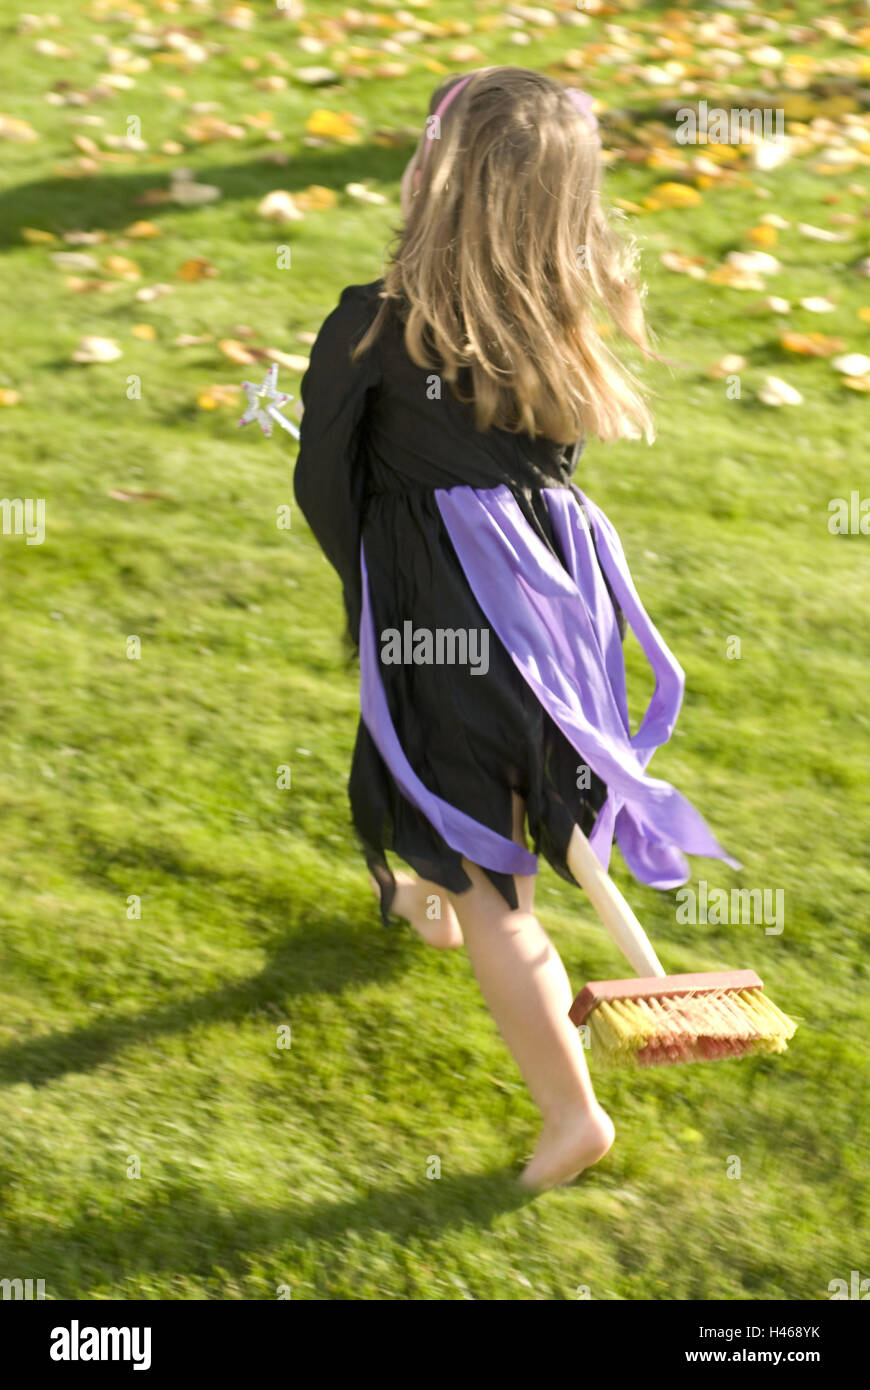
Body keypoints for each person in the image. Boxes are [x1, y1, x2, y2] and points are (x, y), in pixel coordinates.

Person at [293, 67, 735, 1190]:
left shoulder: (370, 328)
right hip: (555, 630)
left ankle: (570, 1115)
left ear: (431, 182)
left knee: (503, 890)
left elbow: (324, 482)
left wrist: (368, 569)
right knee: (466, 795)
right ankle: (423, 898)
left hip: (445, 629)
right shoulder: (559, 326)